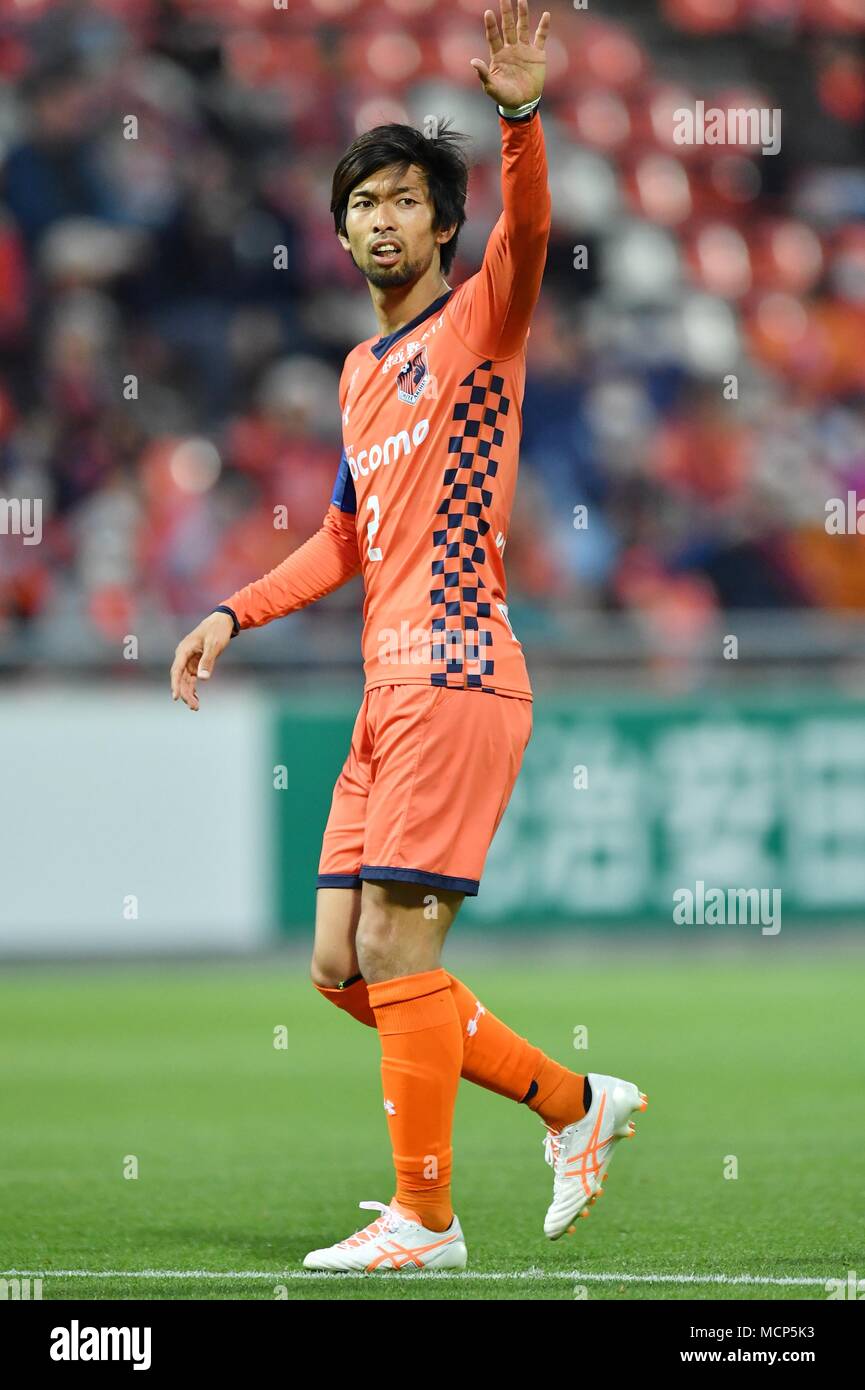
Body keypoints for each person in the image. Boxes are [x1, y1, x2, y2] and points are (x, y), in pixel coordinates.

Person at [170, 0, 646, 1273]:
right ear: (340, 233)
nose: (378, 219)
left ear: (443, 221)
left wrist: (519, 116)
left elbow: (532, 227)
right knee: (341, 965)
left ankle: (425, 1219)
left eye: (400, 199)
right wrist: (231, 609)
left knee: (395, 946)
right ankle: (573, 1103)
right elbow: (342, 537)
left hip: (459, 668)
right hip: (387, 694)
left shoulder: (483, 323)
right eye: (359, 203)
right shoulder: (357, 371)